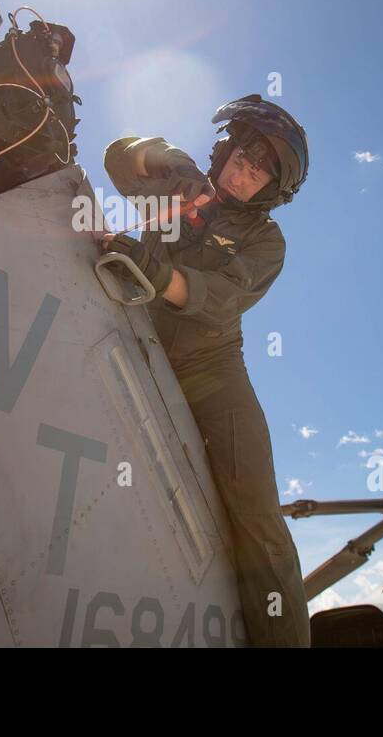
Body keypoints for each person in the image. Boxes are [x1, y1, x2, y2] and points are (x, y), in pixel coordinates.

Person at [99, 94, 311, 647]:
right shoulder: (180, 184)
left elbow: (220, 297)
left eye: (259, 172)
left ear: (273, 190)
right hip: (135, 350)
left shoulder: (267, 241)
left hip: (211, 371)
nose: (244, 174)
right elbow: (118, 155)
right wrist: (172, 162)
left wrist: (154, 271)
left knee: (258, 518)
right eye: (241, 158)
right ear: (223, 152)